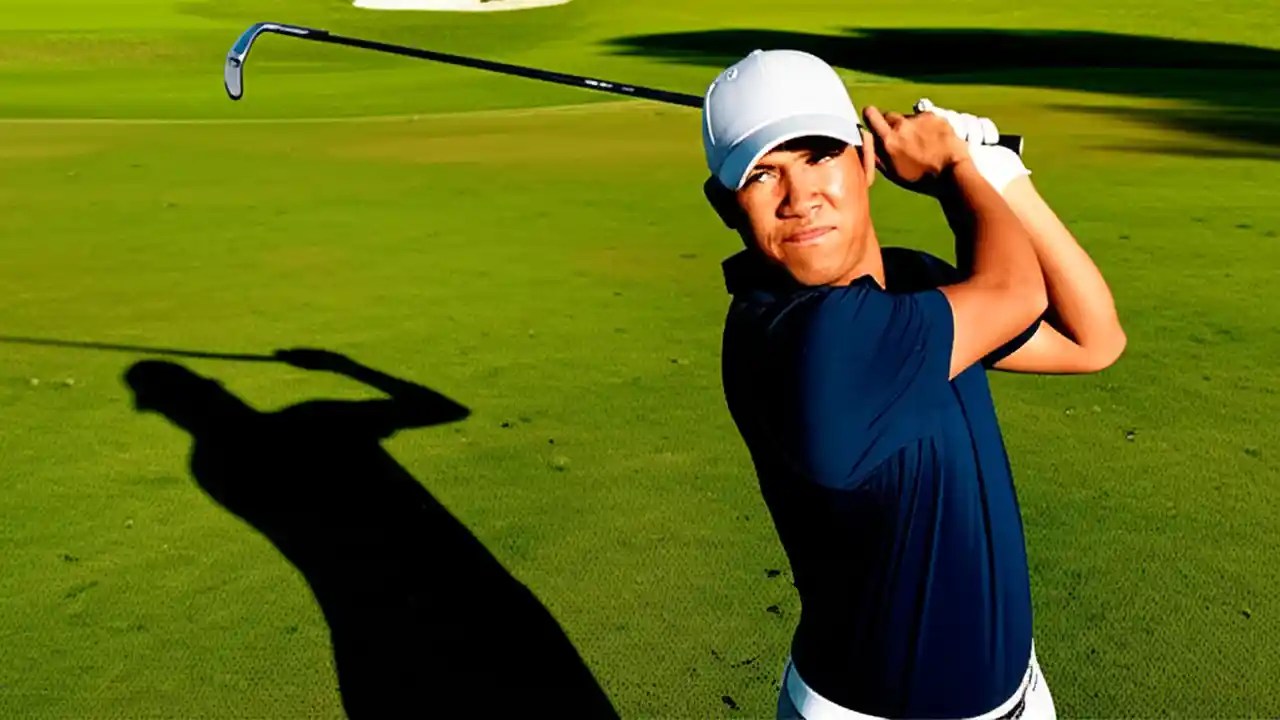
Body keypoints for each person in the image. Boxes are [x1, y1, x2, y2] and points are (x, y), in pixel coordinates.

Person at [701, 50, 1126, 719]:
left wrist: (1006, 179)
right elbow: (1014, 291)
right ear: (726, 205)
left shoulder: (911, 286)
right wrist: (959, 172)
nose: (800, 195)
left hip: (1019, 692)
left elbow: (1092, 339)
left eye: (818, 155)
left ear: (865, 162)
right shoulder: (803, 339)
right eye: (762, 173)